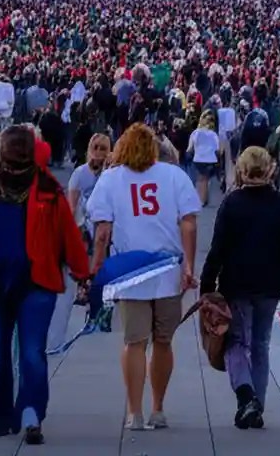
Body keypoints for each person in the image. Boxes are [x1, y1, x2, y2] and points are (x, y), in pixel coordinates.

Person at [0, 126, 91, 444]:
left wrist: (83, 274)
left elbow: (68, 234)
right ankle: (0, 414)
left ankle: (31, 415)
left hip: (36, 282)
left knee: (31, 352)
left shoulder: (47, 187)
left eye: (21, 162)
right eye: (12, 162)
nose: (15, 169)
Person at [87, 123, 201, 432]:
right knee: (163, 341)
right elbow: (188, 224)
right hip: (169, 271)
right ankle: (158, 408)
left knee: (134, 341)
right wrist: (190, 265)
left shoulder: (110, 180)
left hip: (130, 272)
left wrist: (96, 270)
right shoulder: (175, 176)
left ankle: (134, 412)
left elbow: (102, 232)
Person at [200, 146, 280, 430]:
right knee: (261, 344)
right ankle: (257, 405)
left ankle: (245, 396)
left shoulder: (232, 204)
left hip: (236, 284)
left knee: (236, 341)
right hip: (270, 285)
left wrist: (206, 284)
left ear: (241, 170)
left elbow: (218, 249)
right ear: (270, 169)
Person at [186, 111, 222, 206]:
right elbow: (218, 149)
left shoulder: (195, 133)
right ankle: (204, 198)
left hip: (198, 159)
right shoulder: (213, 135)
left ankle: (201, 199)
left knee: (200, 179)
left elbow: (190, 148)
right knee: (205, 179)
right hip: (211, 159)